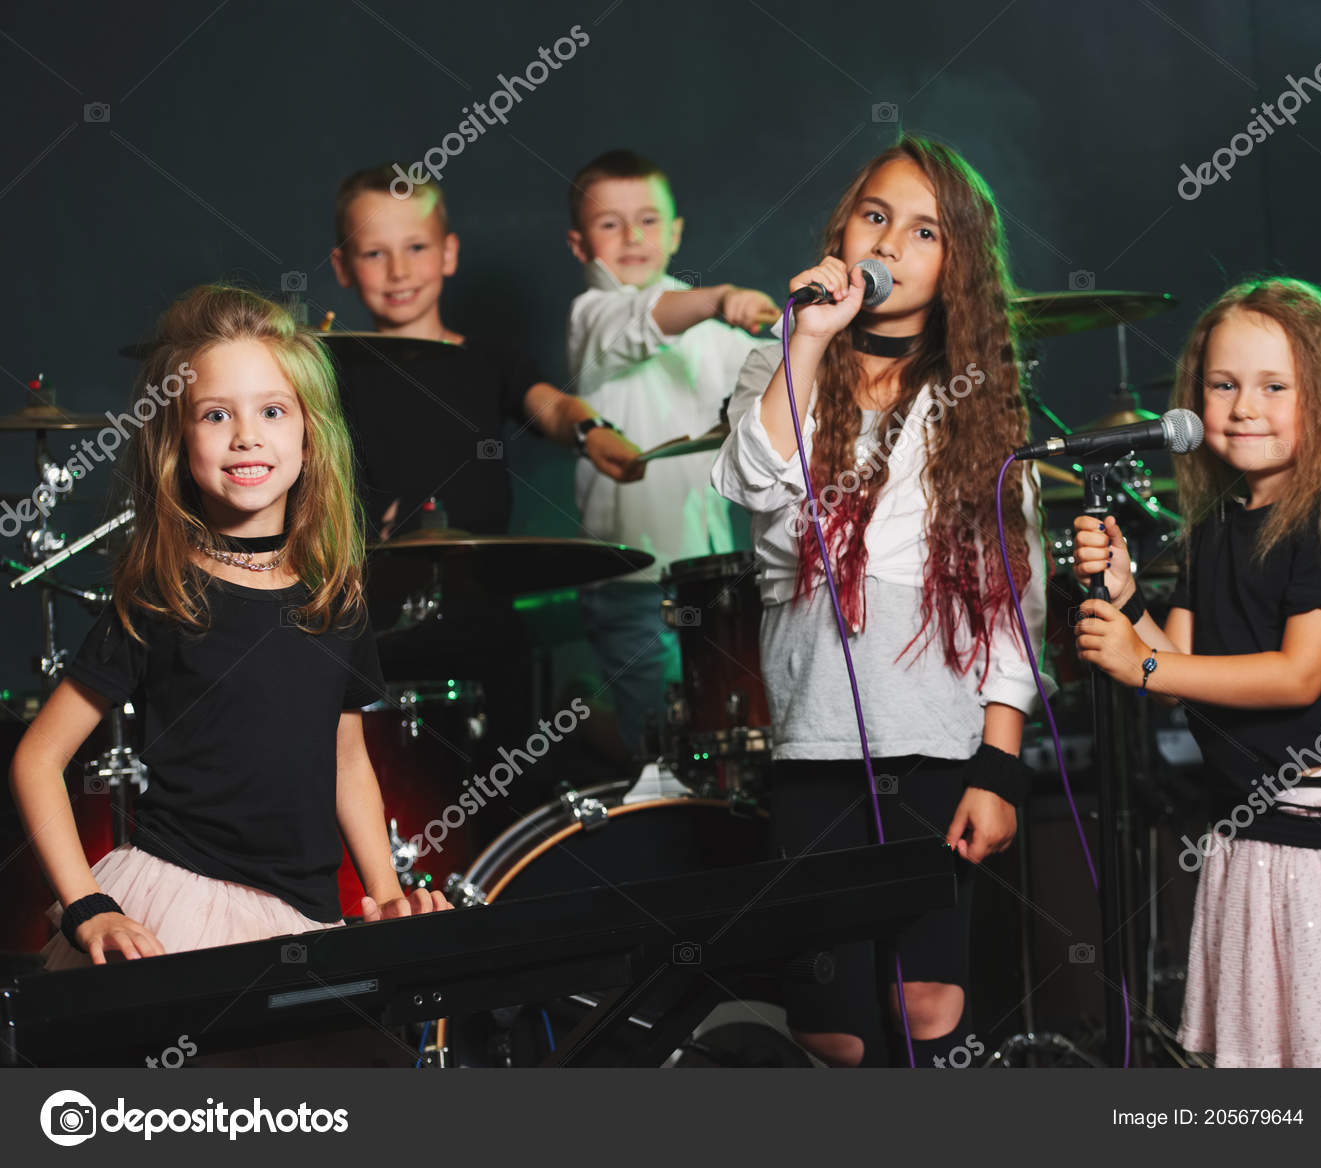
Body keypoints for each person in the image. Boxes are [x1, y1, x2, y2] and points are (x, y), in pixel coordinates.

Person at [1071, 276, 1321, 1067]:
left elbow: (1297, 676)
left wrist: (1144, 662)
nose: (1242, 407)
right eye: (1222, 386)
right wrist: (1126, 597)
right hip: (1248, 829)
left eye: (1273, 386)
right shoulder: (1213, 527)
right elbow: (1185, 664)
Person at [711, 136, 1052, 1068]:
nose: (891, 243)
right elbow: (752, 486)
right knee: (830, 1026)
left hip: (939, 746)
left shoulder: (976, 402)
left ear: (958, 265)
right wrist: (810, 339)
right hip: (815, 740)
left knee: (928, 1004)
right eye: (876, 216)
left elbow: (1013, 609)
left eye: (924, 230)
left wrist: (999, 767)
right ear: (844, 227)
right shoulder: (777, 362)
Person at [8, 285, 448, 970]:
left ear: (310, 433)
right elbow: (37, 759)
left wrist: (386, 893)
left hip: (307, 914)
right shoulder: (163, 594)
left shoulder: (336, 596)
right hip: (179, 905)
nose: (247, 435)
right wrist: (87, 908)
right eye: (216, 415)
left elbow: (347, 760)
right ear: (179, 442)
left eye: (272, 410)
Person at [565, 149, 779, 760]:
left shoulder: (711, 325)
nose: (633, 237)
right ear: (580, 244)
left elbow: (771, 394)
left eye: (649, 221)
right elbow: (646, 318)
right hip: (630, 581)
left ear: (676, 231)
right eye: (610, 224)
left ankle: (601, 728)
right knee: (659, 742)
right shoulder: (592, 316)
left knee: (722, 733)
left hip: (713, 574)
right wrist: (720, 299)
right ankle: (607, 741)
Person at [329, 164, 641, 540]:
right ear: (342, 266)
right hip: (372, 590)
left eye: (416, 247)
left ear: (448, 253)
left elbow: (555, 408)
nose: (399, 271)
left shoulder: (490, 360)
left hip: (482, 587)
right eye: (374, 253)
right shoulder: (329, 371)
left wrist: (591, 431)